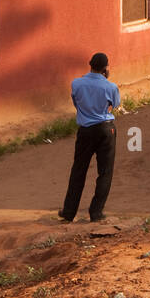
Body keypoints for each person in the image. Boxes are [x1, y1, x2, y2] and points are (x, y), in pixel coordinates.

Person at [59, 52, 120, 222]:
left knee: (78, 170)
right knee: (105, 172)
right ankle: (96, 212)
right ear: (106, 68)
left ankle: (69, 212)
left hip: (85, 130)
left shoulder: (76, 83)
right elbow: (114, 105)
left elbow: (76, 103)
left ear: (90, 64)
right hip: (105, 130)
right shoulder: (111, 87)